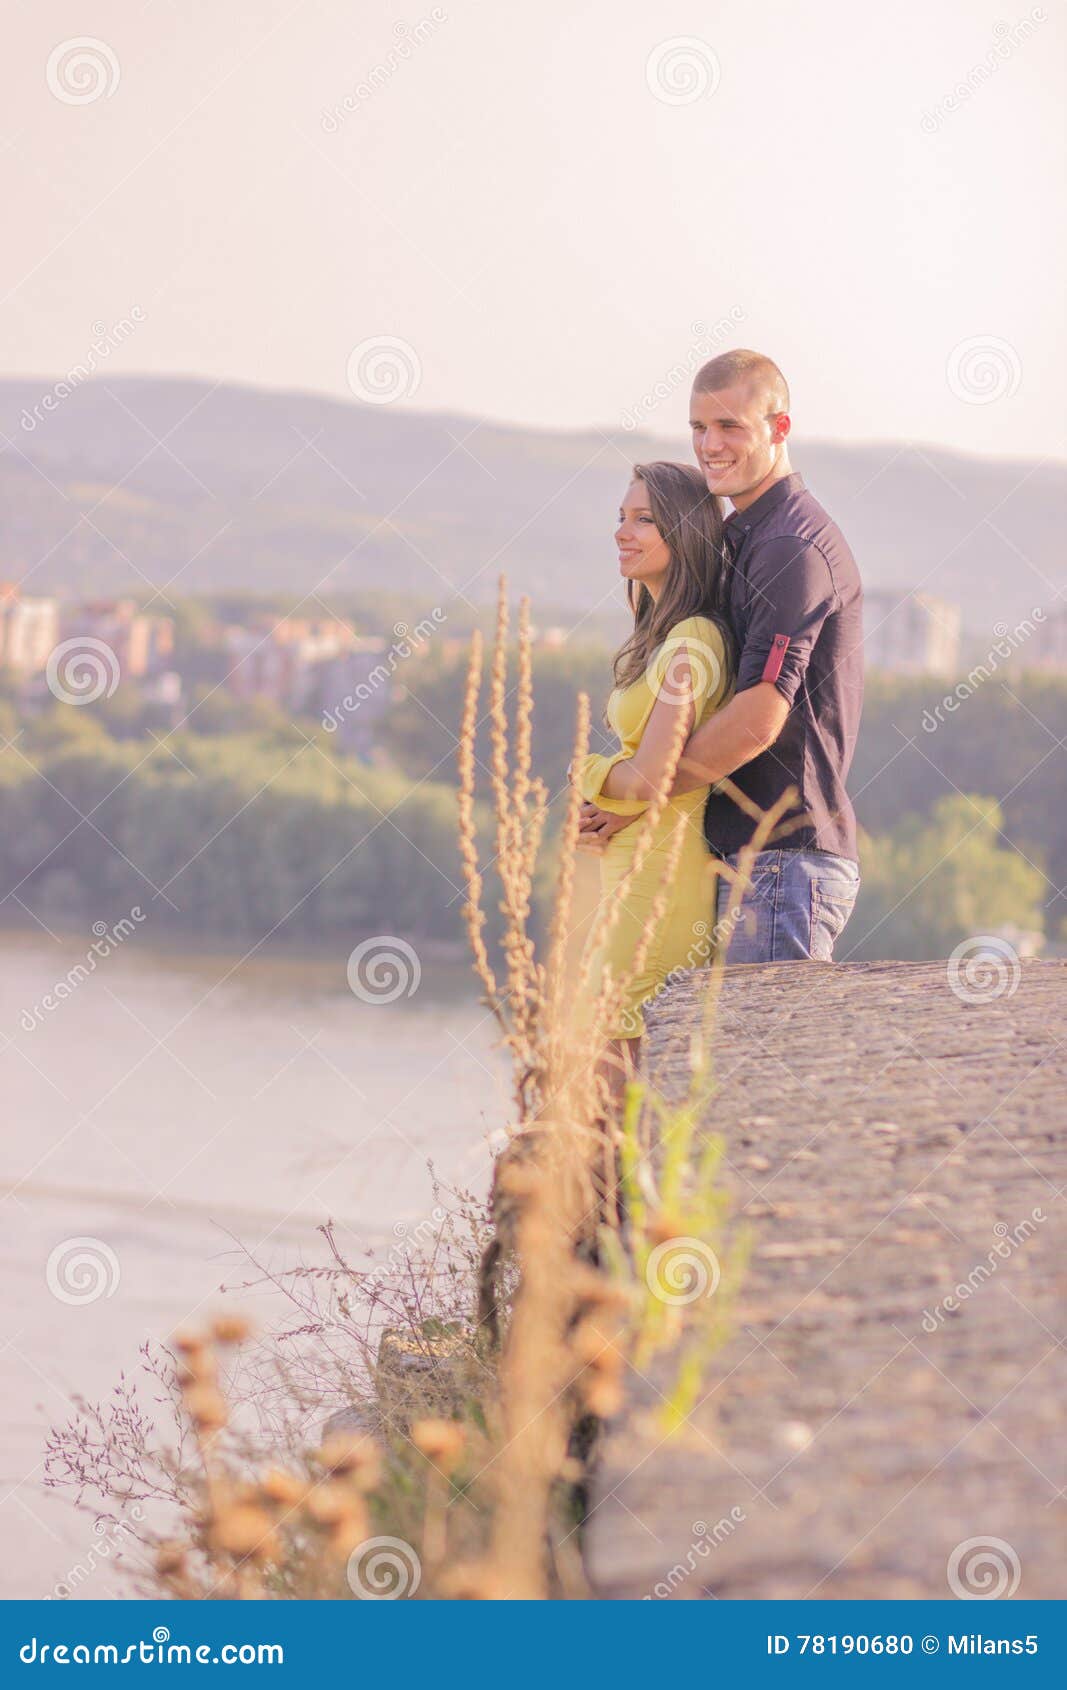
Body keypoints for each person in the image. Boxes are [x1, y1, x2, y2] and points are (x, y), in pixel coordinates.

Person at [580, 350, 864, 963]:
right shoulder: (747, 537)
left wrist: (639, 796)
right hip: (747, 859)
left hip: (784, 859)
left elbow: (760, 716)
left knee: (759, 1059)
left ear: (779, 428)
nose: (710, 444)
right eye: (698, 428)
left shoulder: (789, 544)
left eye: (730, 426)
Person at [572, 460, 733, 1082]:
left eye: (644, 519)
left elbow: (651, 779)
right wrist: (604, 810)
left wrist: (587, 776)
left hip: (661, 887)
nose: (622, 531)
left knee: (612, 1072)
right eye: (620, 517)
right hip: (629, 873)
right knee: (604, 1059)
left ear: (686, 534)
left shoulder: (693, 638)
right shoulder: (661, 636)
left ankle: (617, 1183)